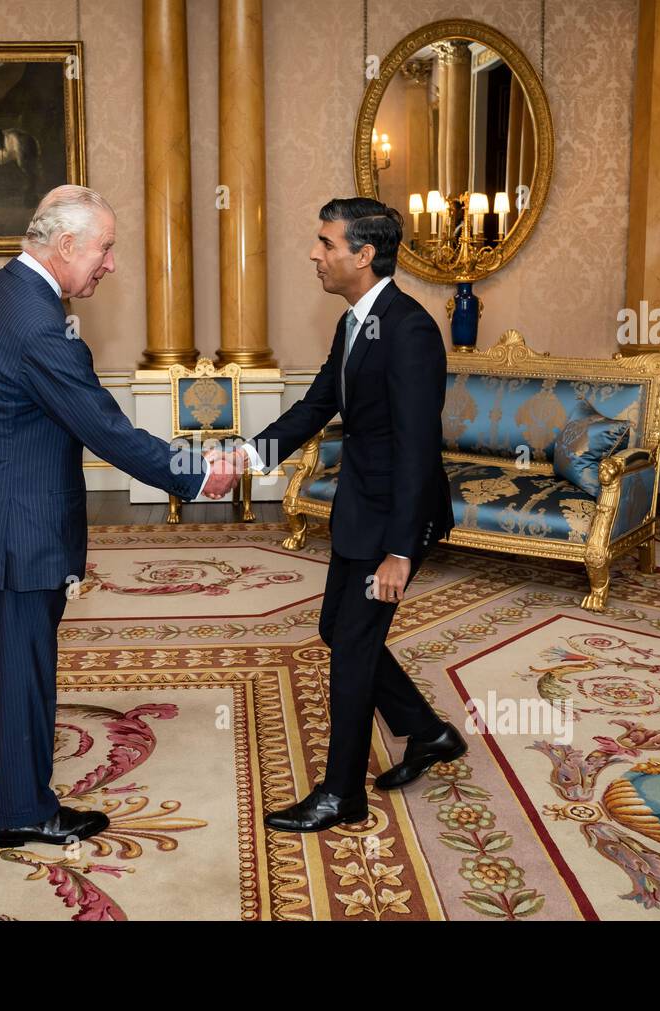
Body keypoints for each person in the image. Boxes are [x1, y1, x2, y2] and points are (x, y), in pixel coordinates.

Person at [0, 185, 242, 848]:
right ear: (66, 245)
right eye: (105, 248)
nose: (110, 263)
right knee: (23, 664)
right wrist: (195, 473)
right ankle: (23, 810)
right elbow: (104, 428)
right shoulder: (40, 328)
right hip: (16, 535)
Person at [218, 197, 466, 832]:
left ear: (363, 255)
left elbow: (417, 448)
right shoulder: (356, 322)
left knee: (352, 645)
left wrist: (402, 552)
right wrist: (248, 457)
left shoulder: (409, 329)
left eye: (325, 244)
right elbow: (315, 405)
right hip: (363, 504)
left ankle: (340, 794)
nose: (313, 254)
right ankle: (428, 732)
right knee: (339, 629)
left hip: (397, 518)